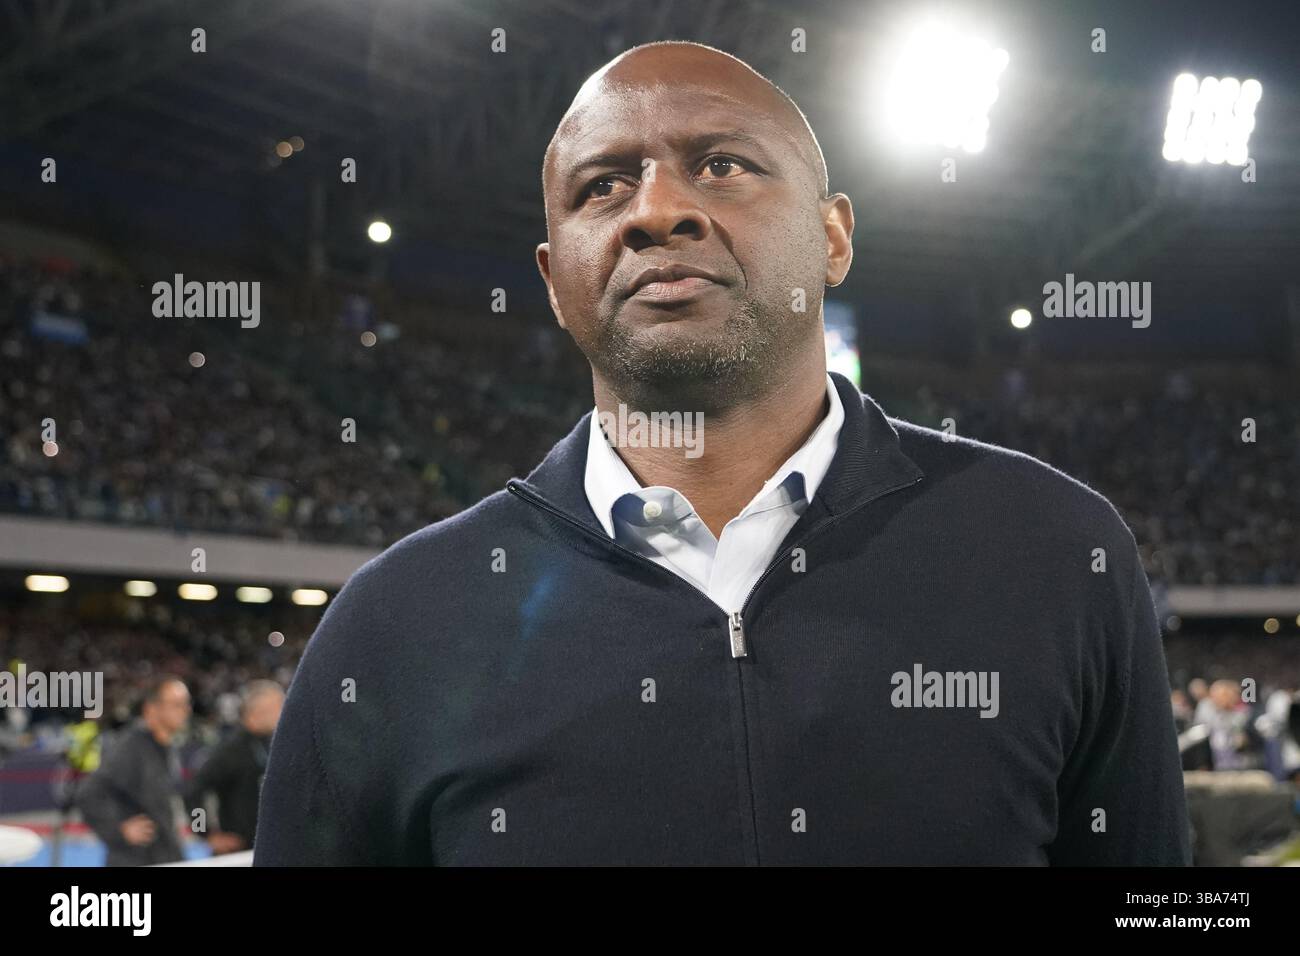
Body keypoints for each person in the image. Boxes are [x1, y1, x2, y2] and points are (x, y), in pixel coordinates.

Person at [255, 41, 1190, 866]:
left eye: (723, 165)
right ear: (553, 279)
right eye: (602, 187)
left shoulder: (1055, 551)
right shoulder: (395, 626)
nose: (657, 211)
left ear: (833, 237)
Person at [77, 676, 191, 866]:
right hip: (135, 860)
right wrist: (119, 830)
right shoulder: (131, 747)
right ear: (152, 709)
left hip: (162, 856)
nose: (186, 710)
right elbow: (88, 793)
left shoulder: (166, 747)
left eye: (186, 704)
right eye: (177, 704)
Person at [185, 680, 284, 855]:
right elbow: (193, 790)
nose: (283, 712)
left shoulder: (272, 743)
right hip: (240, 852)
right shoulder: (230, 750)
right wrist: (206, 834)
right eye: (278, 707)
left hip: (271, 846)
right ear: (256, 712)